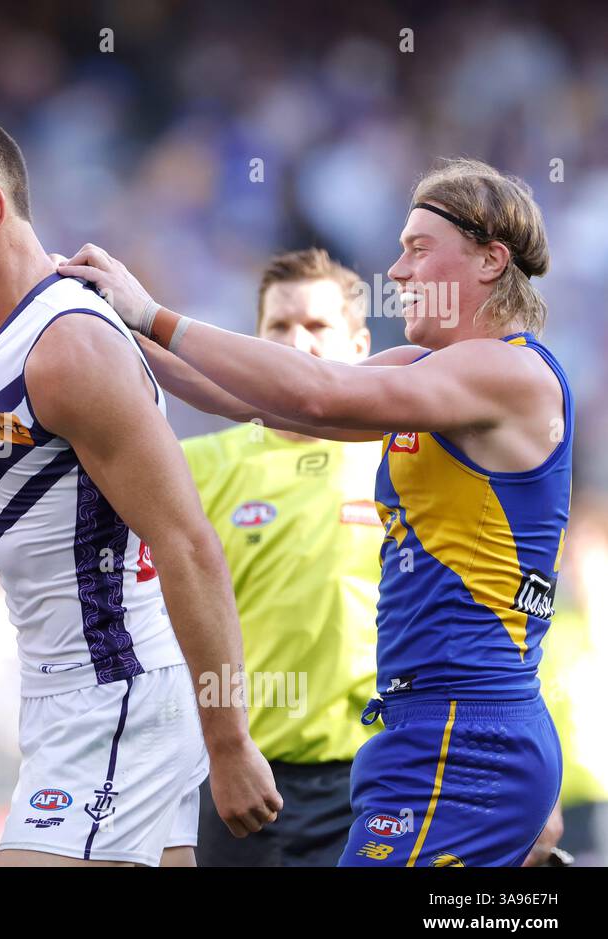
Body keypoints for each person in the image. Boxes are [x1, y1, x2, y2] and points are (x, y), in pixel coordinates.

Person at [60, 157, 569, 867]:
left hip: (464, 732)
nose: (397, 271)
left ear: (490, 260)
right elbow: (257, 400)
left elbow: (318, 395)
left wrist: (155, 313)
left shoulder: (507, 371)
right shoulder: (434, 373)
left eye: (419, 249)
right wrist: (100, 319)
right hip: (426, 729)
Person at [0, 113, 282, 867]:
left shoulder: (67, 343)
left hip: (112, 690)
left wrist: (229, 740)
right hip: (77, 693)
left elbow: (188, 542)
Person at [178, 248, 382, 866]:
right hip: (235, 772)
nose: (297, 342)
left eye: (318, 327)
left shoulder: (402, 464)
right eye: (278, 328)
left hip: (370, 781)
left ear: (360, 345)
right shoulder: (198, 466)